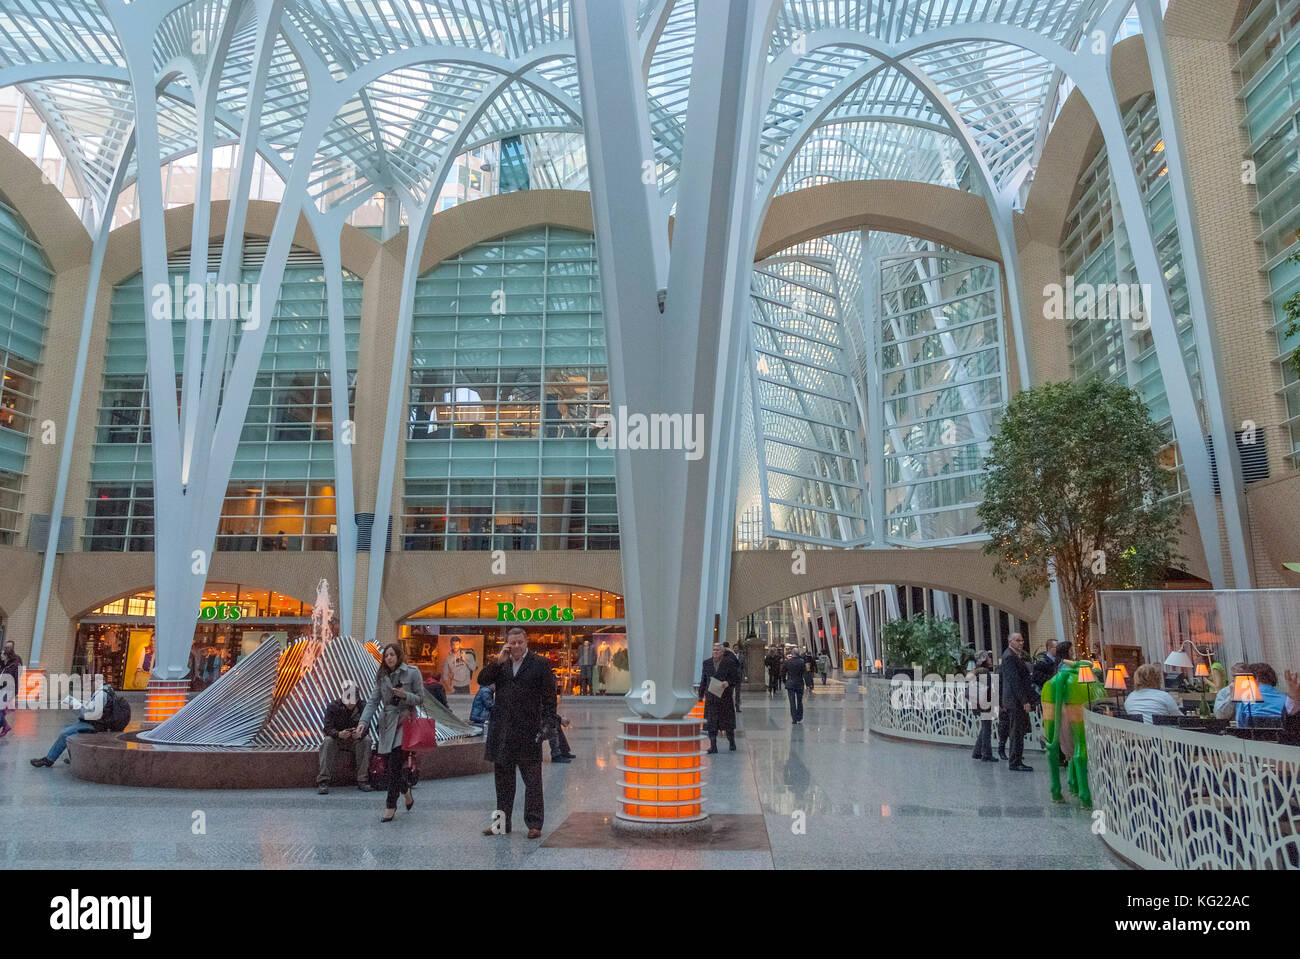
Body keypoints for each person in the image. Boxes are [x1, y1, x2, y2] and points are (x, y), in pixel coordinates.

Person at [478, 626, 557, 839]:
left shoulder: (540, 664)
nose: (516, 646)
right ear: (507, 644)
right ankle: (501, 824)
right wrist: (497, 661)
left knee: (532, 781)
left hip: (528, 730)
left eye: (519, 642)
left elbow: (550, 698)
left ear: (526, 642)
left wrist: (548, 725)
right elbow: (482, 680)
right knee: (503, 782)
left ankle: (534, 824)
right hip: (502, 731)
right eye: (512, 643)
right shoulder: (501, 665)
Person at [355, 643, 425, 823]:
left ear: (398, 655)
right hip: (386, 724)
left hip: (405, 722)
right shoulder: (382, 676)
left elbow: (420, 698)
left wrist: (405, 696)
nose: (389, 658)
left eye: (392, 655)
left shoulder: (412, 672)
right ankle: (406, 790)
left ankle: (390, 805)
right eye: (386, 656)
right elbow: (373, 701)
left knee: (394, 762)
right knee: (389, 766)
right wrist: (363, 722)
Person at [31, 684, 114, 767]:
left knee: (65, 733)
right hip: (98, 723)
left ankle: (49, 759)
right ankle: (74, 758)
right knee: (71, 729)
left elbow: (90, 714)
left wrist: (74, 704)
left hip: (96, 725)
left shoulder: (101, 694)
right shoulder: (104, 691)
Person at [317, 680, 372, 794]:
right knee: (327, 742)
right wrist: (338, 734)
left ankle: (362, 779)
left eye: (352, 702)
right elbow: (327, 728)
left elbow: (366, 727)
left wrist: (359, 733)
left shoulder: (363, 707)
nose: (349, 704)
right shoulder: (333, 706)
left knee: (366, 741)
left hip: (355, 739)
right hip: (337, 738)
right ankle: (323, 780)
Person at [999, 632, 1036, 772]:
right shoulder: (1009, 657)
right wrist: (1024, 701)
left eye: (1022, 640)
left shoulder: (1013, 656)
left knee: (1018, 731)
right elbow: (1014, 681)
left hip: (1014, 700)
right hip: (1014, 701)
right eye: (1018, 640)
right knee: (1017, 732)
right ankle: (1015, 762)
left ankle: (1016, 760)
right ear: (1010, 642)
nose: (1021, 643)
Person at [698, 642, 740, 753]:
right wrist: (700, 695)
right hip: (711, 697)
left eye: (718, 650)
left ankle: (731, 742)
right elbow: (704, 680)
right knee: (711, 723)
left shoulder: (729, 663)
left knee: (727, 723)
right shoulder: (706, 663)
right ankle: (713, 746)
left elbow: (736, 678)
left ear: (722, 652)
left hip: (724, 697)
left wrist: (728, 682)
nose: (715, 652)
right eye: (714, 650)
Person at [1235, 663, 1297, 727]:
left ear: (1256, 678)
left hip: (1252, 736)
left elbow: (1240, 726)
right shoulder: (1288, 701)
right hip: (1281, 736)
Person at [969, 650, 996, 762]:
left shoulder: (976, 671)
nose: (991, 659)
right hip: (985, 704)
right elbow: (987, 690)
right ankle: (986, 754)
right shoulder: (984, 672)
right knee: (987, 729)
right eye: (989, 657)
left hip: (978, 703)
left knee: (984, 727)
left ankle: (977, 751)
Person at [0, 641, 21, 738]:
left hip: (8, 690)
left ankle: (5, 726)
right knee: (2, 711)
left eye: (8, 647)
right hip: (3, 689)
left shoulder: (15, 663)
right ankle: (4, 725)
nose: (1, 654)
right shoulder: (4, 663)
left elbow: (14, 678)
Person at [781, 647, 806, 724]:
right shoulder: (802, 662)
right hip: (799, 683)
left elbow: (783, 672)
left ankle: (794, 718)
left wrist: (785, 680)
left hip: (790, 683)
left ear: (792, 653)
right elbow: (804, 672)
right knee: (799, 701)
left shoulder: (787, 662)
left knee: (792, 702)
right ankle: (799, 716)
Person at [722, 641, 742, 715]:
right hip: (733, 677)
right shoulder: (731, 655)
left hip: (733, 677)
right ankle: (730, 707)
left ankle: (736, 707)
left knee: (736, 693)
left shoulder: (725, 655)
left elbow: (741, 666)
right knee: (731, 692)